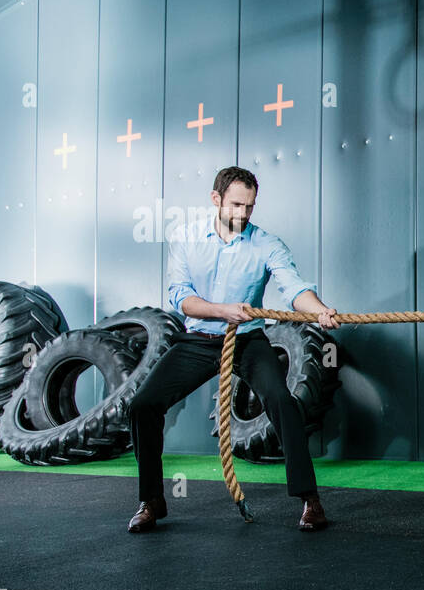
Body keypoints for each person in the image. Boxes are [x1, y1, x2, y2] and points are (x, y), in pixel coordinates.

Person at [127, 166, 339, 534]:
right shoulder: (187, 238)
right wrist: (222, 310)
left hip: (247, 341)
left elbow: (294, 288)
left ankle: (310, 501)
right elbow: (181, 298)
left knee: (283, 402)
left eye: (250, 207)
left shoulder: (267, 244)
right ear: (216, 199)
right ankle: (152, 501)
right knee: (143, 405)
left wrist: (319, 310)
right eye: (236, 204)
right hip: (199, 339)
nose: (243, 214)